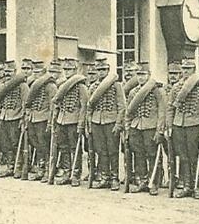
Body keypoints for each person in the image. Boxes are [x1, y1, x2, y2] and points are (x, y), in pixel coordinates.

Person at [167, 57, 199, 198]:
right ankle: (186, 185)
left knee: (195, 156)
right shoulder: (176, 87)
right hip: (179, 125)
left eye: (189, 69)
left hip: (195, 125)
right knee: (183, 156)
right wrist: (169, 126)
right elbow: (170, 108)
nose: (186, 72)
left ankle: (196, 186)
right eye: (184, 69)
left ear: (194, 70)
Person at [125, 62, 167, 193]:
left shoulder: (158, 91)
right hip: (136, 126)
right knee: (139, 154)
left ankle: (154, 181)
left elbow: (162, 111)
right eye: (139, 75)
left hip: (151, 126)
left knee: (152, 155)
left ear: (149, 75)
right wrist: (127, 127)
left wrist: (160, 130)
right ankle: (141, 181)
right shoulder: (133, 92)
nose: (141, 78)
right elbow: (129, 111)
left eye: (143, 75)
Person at [87, 59, 126, 190]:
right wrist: (89, 124)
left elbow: (122, 107)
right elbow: (89, 108)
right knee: (101, 150)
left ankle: (114, 177)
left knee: (113, 150)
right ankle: (104, 176)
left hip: (111, 122)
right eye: (98, 70)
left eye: (103, 70)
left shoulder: (116, 86)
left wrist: (118, 124)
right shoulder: (93, 87)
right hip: (96, 122)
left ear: (108, 71)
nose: (101, 73)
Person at [51, 58, 89, 186]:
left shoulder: (81, 86)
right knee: (63, 148)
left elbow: (84, 106)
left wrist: (81, 123)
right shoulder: (61, 85)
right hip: (62, 120)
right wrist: (55, 121)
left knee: (75, 149)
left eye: (70, 69)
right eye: (65, 69)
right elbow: (57, 105)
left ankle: (76, 175)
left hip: (74, 121)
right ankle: (66, 172)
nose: (67, 72)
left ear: (75, 70)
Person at [25, 60, 58, 181]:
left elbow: (53, 106)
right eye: (34, 72)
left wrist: (50, 122)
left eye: (38, 72)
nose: (35, 74)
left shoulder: (51, 86)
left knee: (45, 145)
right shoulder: (32, 85)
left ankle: (48, 170)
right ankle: (41, 168)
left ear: (43, 73)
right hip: (33, 118)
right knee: (36, 144)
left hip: (43, 118)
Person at [0, 59, 29, 178]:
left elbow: (26, 103)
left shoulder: (22, 85)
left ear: (15, 71)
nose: (7, 74)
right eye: (5, 71)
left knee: (16, 144)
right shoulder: (2, 85)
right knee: (6, 144)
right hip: (4, 117)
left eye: (10, 71)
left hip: (16, 117)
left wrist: (23, 118)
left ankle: (18, 167)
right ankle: (10, 166)